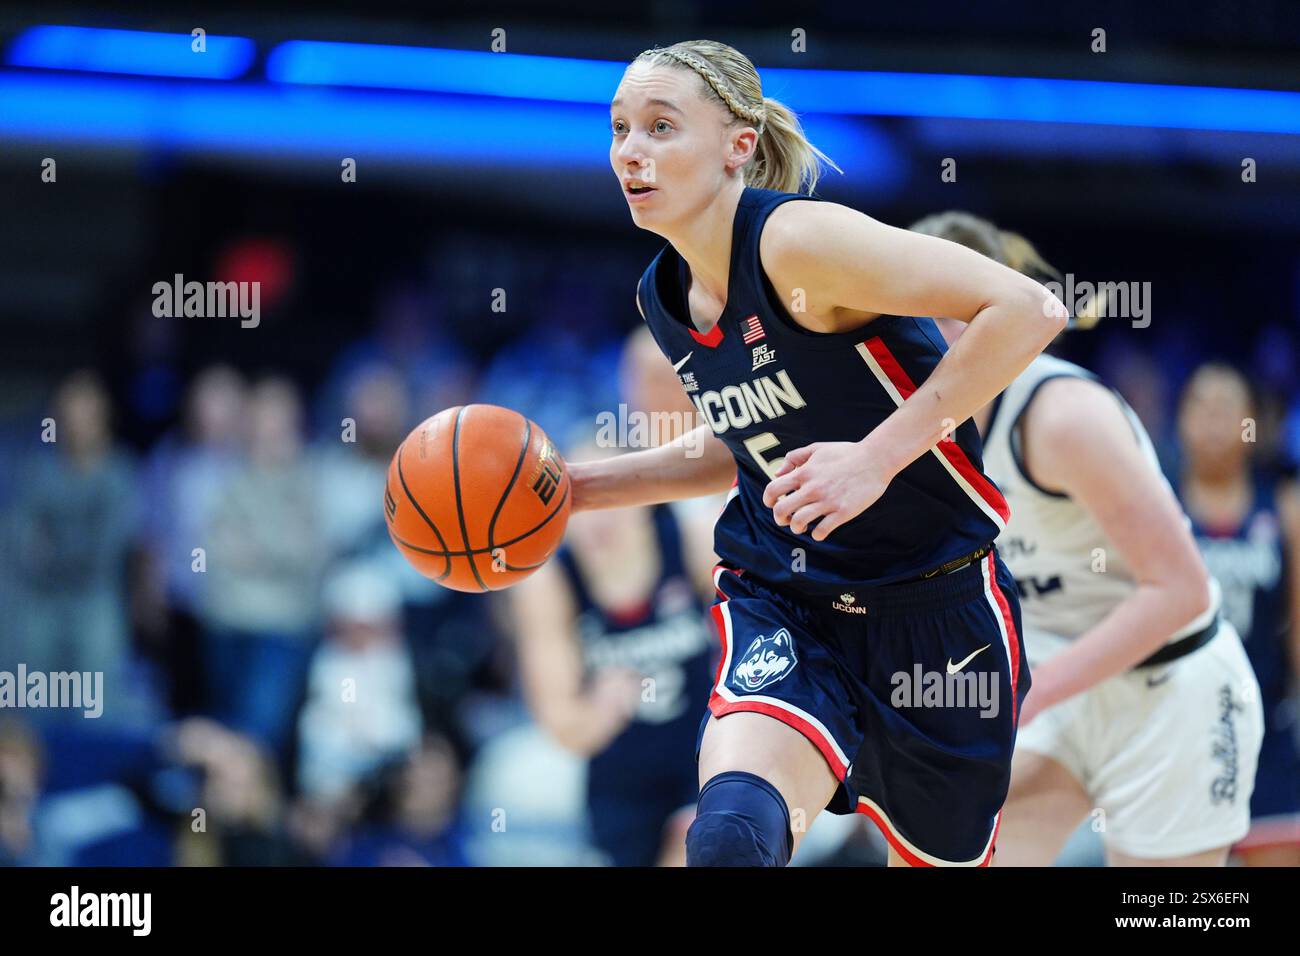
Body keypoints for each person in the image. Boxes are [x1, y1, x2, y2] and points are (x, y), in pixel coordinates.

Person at [567, 40, 1067, 867]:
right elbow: (750, 443)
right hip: (784, 596)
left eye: (661, 127)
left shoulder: (797, 241)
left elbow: (1026, 307)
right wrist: (582, 488)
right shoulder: (663, 295)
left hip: (936, 612)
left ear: (737, 145)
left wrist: (876, 456)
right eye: (620, 128)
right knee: (728, 839)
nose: (630, 151)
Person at [911, 211, 1264, 866]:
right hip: (1061, 679)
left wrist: (1022, 690)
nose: (917, 332)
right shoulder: (907, 423)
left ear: (994, 314)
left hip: (1171, 685)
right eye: (904, 308)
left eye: (943, 310)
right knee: (942, 851)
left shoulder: (1062, 418)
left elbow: (1181, 590)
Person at [1176, 362, 1300, 865]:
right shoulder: (1154, 501)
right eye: (1200, 406)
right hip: (1177, 726)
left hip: (1266, 722)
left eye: (1228, 408)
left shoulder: (1286, 509)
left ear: (1253, 424)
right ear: (1180, 419)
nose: (1213, 420)